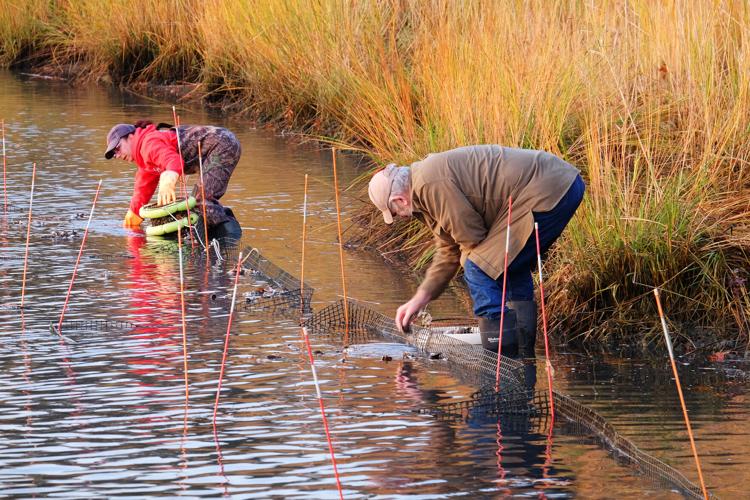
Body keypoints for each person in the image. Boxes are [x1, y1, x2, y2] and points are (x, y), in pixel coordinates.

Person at [367, 145, 584, 374]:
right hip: (561, 184)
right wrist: (419, 299)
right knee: (508, 267)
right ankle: (523, 359)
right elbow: (449, 249)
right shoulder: (423, 187)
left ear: (400, 200)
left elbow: (471, 238)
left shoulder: (430, 184)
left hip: (549, 189)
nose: (400, 217)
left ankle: (499, 366)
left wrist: (476, 272)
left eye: (394, 212)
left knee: (477, 268)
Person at [104, 120, 242, 242]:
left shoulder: (148, 143)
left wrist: (168, 178)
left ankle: (229, 242)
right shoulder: (145, 163)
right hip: (216, 148)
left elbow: (173, 160)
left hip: (222, 144)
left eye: (118, 147)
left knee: (202, 203)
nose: (117, 154)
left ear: (131, 136)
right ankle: (216, 234)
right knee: (196, 207)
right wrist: (132, 217)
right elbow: (141, 191)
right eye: (113, 154)